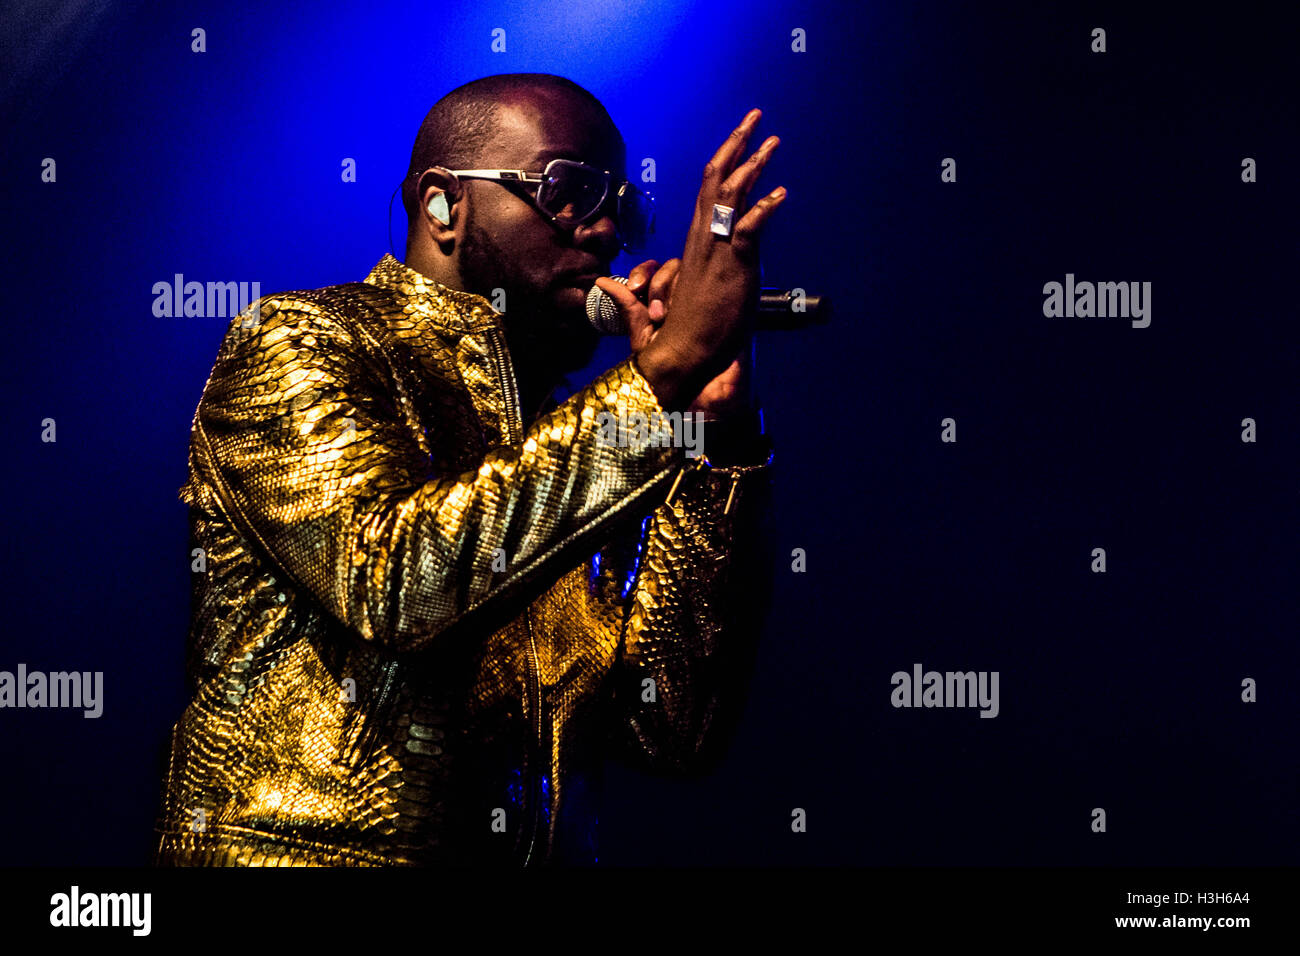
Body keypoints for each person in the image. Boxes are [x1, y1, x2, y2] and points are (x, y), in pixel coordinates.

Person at [153, 72, 785, 865]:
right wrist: (661, 381)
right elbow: (395, 586)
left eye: (620, 208)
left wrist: (714, 439)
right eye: (569, 190)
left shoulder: (598, 435)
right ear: (443, 205)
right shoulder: (300, 342)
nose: (603, 235)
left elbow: (675, 730)